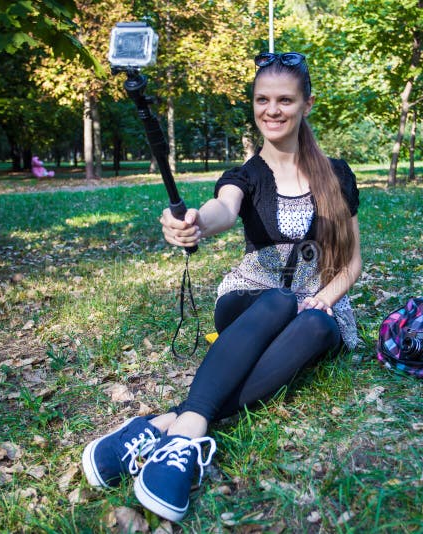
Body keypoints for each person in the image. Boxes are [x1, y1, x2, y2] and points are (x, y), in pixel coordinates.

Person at [81, 51, 362, 522]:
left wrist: (325, 298)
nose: (272, 110)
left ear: (307, 104)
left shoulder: (336, 174)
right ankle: (190, 434)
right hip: (252, 301)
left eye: (285, 100)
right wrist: (194, 222)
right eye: (262, 99)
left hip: (316, 300)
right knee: (277, 301)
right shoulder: (246, 174)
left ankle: (168, 424)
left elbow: (352, 260)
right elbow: (222, 211)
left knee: (314, 326)